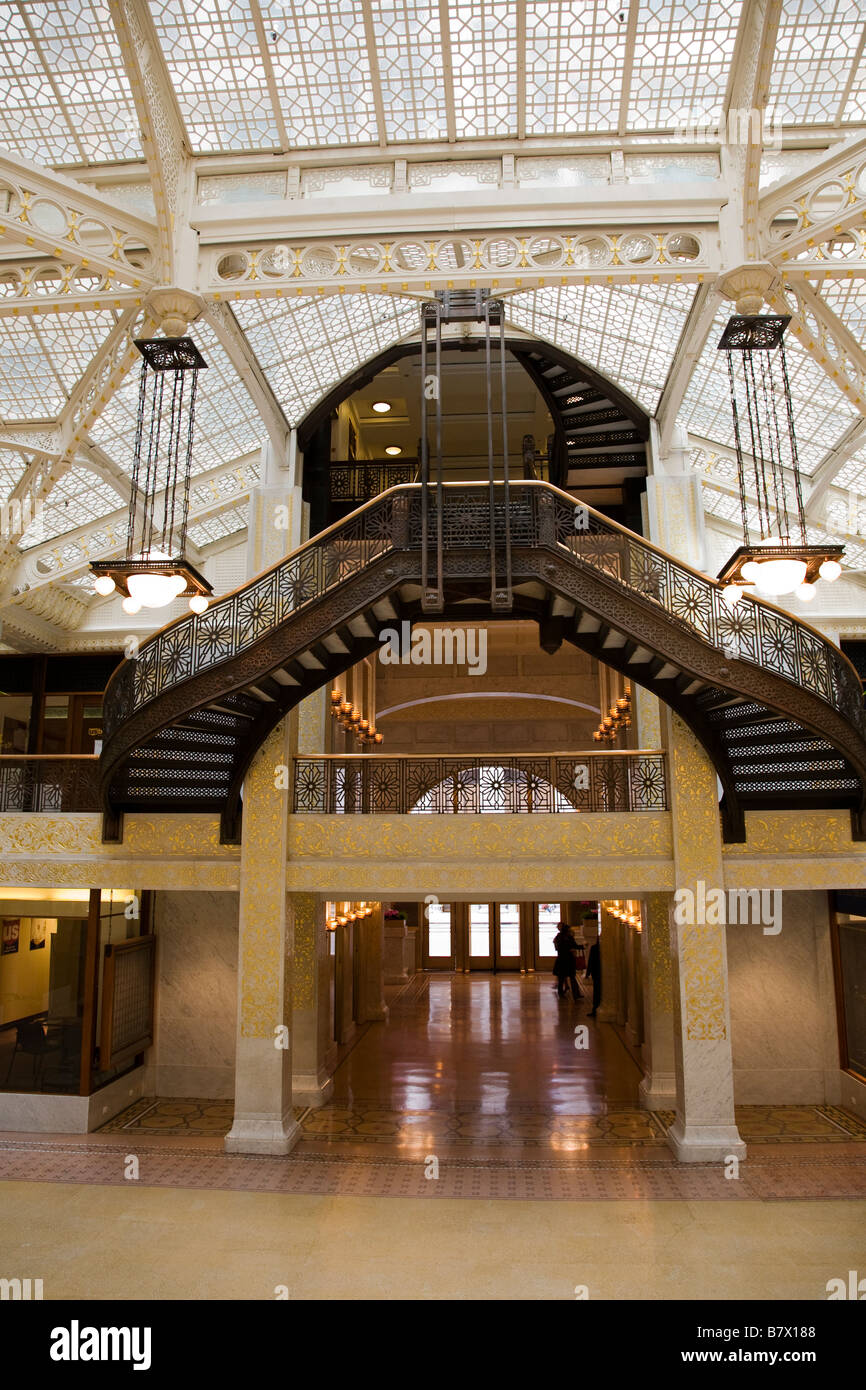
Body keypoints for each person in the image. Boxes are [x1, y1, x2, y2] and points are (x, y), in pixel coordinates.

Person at [552, 922, 582, 1001]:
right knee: (571, 977)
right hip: (568, 960)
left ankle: (561, 993)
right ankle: (575, 994)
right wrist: (582, 946)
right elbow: (574, 946)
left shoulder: (559, 937)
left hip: (562, 960)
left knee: (562, 978)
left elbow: (558, 948)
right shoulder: (568, 937)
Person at [586, 937, 602, 1016]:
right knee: (596, 992)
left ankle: (595, 1009)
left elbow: (590, 961)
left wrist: (588, 973)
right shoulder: (595, 948)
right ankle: (595, 1009)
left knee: (597, 991)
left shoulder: (595, 948)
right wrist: (588, 973)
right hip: (597, 973)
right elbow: (591, 961)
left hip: (598, 973)